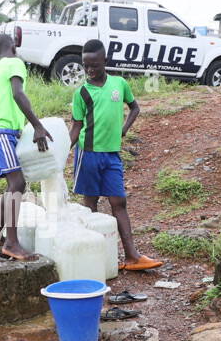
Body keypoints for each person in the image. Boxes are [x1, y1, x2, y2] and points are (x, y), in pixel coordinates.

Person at [69, 39, 164, 272]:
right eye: (85, 65)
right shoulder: (81, 92)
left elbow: (135, 107)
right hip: (88, 155)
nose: (89, 70)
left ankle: (132, 256)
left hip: (112, 155)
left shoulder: (119, 84)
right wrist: (62, 151)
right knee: (90, 204)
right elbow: (76, 126)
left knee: (118, 201)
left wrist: (124, 129)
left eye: (94, 65)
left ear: (105, 62)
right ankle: (90, 258)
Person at [0, 34, 52, 261]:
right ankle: (11, 243)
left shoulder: (1, 66)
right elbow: (17, 93)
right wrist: (38, 125)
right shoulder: (15, 63)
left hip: (3, 131)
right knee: (17, 183)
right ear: (13, 46)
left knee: (14, 185)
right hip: (1, 131)